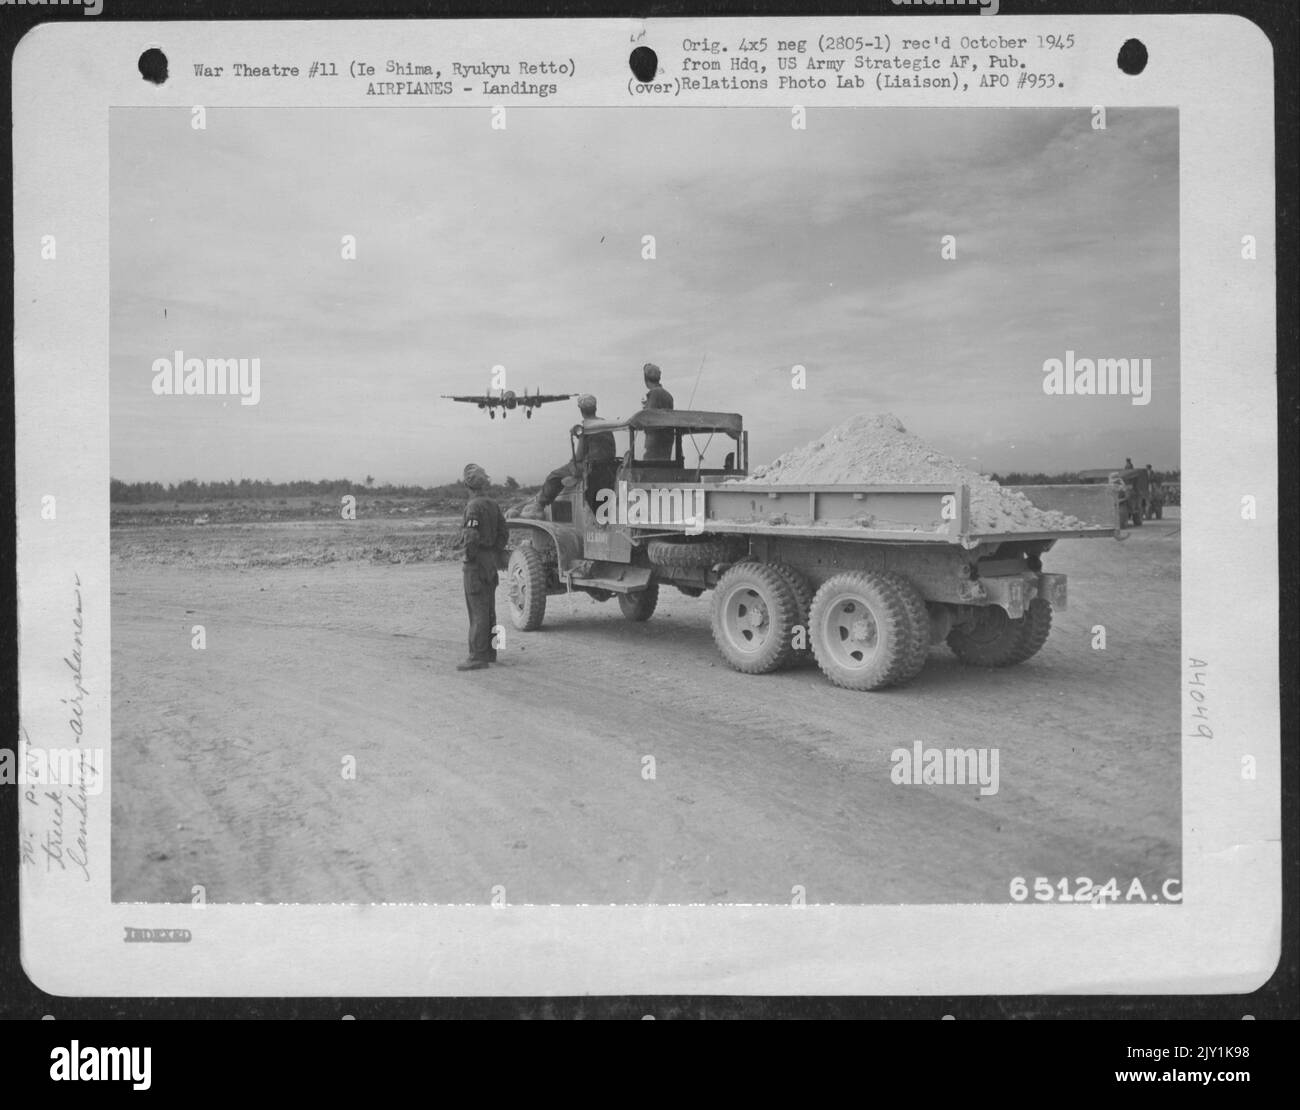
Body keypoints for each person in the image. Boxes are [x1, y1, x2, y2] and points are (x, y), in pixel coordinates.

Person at [513, 395, 615, 518]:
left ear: (581, 410)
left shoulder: (586, 427)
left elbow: (579, 456)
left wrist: (573, 462)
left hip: (588, 466)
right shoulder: (605, 424)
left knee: (554, 476)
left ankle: (539, 506)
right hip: (608, 465)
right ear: (595, 408)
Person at [457, 462, 508, 672]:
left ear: (467, 485)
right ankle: (491, 651)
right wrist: (493, 552)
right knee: (489, 609)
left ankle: (478, 656)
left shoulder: (473, 507)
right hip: (489, 563)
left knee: (477, 609)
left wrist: (470, 557)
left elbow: (470, 537)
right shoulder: (493, 505)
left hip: (476, 564)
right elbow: (504, 533)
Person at [640, 362, 675, 461]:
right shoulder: (668, 395)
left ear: (645, 379)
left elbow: (648, 420)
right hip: (666, 446)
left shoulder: (654, 394)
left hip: (655, 446)